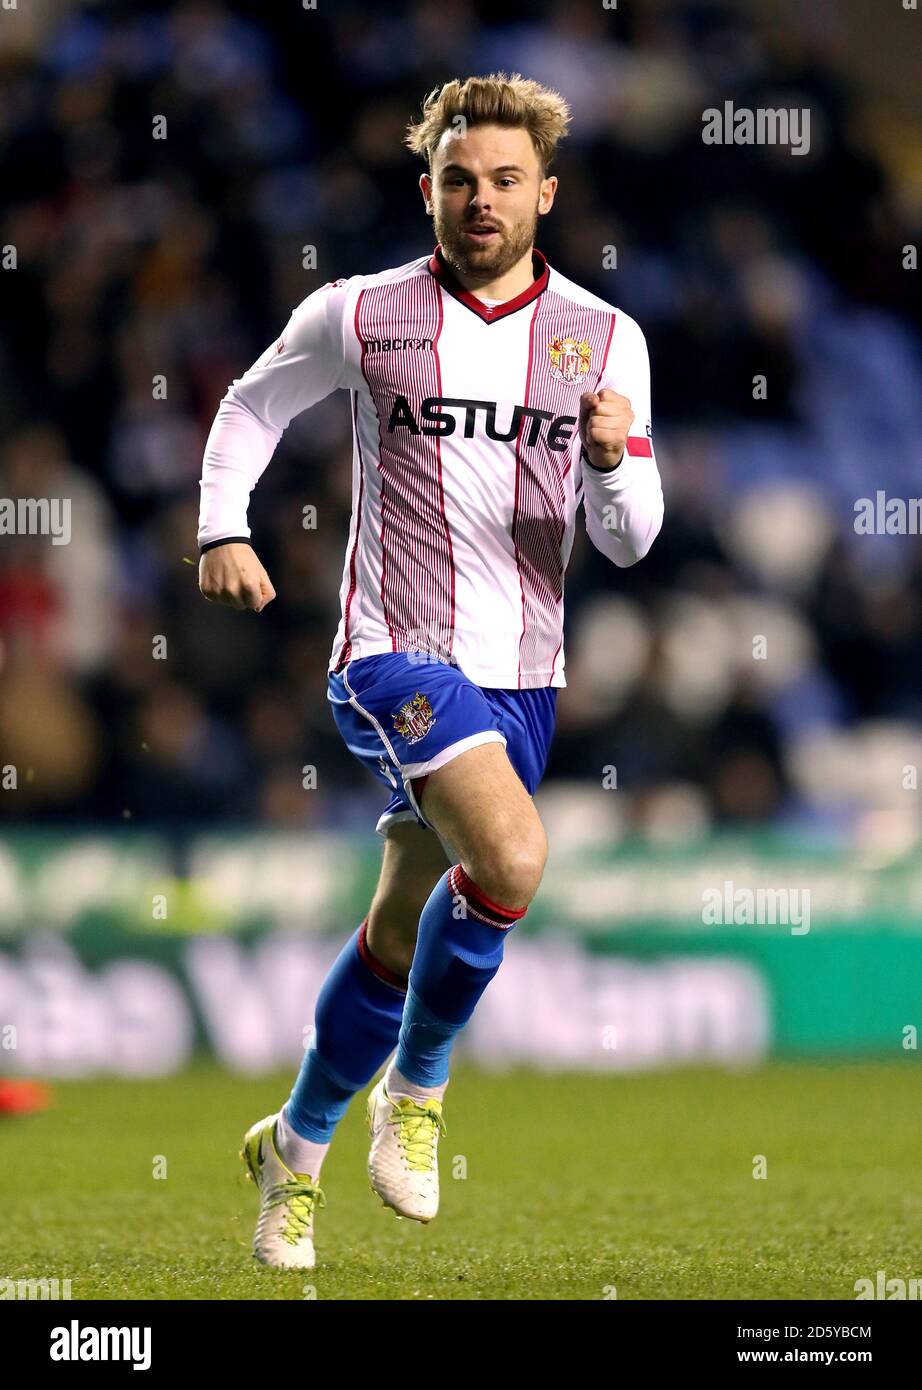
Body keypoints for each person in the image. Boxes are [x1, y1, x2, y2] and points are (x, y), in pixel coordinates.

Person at [197, 72, 664, 1268]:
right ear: (427, 189)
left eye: (506, 180)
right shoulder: (359, 313)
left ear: (545, 194)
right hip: (391, 649)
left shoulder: (605, 341)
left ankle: (293, 1150)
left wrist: (611, 463)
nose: (481, 199)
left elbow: (629, 537)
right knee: (509, 857)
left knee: (404, 927)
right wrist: (222, 527)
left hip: (525, 673)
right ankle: (418, 1088)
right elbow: (250, 409)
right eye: (459, 179)